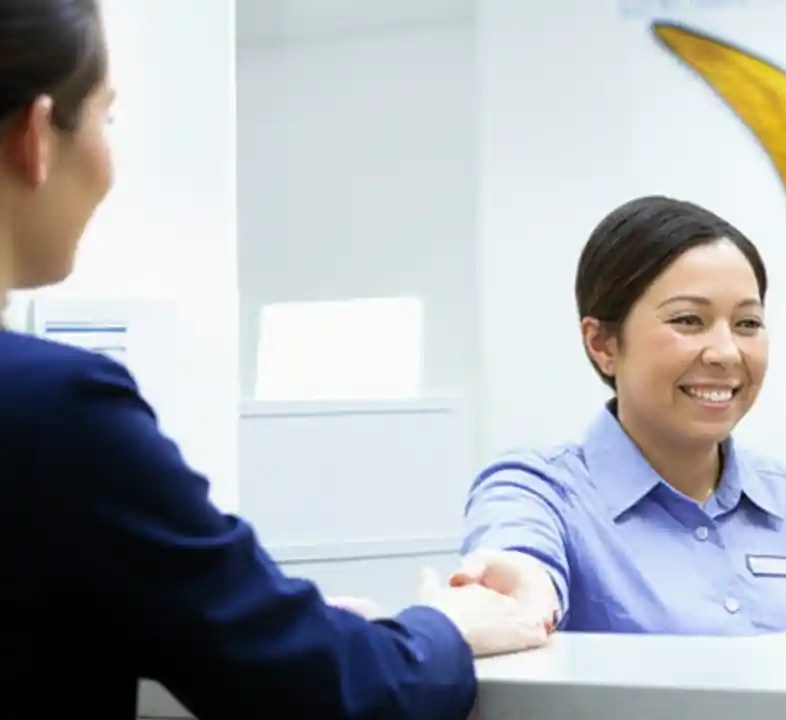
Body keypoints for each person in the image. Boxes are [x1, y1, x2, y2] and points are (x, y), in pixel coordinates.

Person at [0, 2, 546, 718]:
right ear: (38, 137)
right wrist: (443, 628)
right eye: (106, 118)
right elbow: (324, 692)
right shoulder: (57, 409)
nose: (111, 164)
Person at [452, 195, 786, 635]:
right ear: (603, 344)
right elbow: (518, 557)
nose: (726, 352)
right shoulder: (540, 492)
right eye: (688, 320)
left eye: (747, 323)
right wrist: (523, 588)